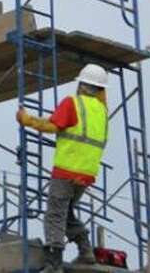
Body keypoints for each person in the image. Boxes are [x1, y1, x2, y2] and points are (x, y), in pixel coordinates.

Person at [16, 63, 109, 273]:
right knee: (65, 213)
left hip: (66, 171)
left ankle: (54, 263)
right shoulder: (102, 111)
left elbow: (52, 125)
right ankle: (86, 251)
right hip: (86, 175)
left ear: (82, 84)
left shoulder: (73, 103)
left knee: (54, 215)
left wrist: (27, 120)